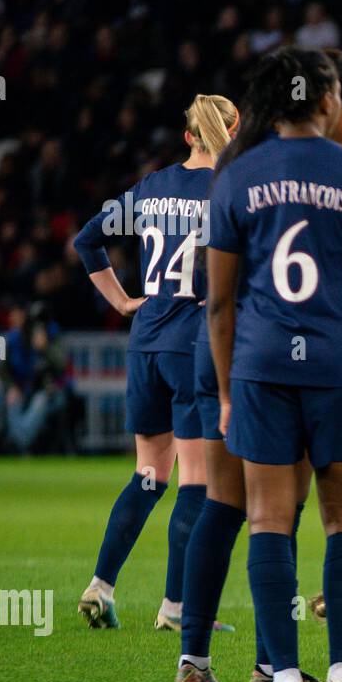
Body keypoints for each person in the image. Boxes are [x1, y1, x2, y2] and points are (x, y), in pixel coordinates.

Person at [205, 47, 342, 682]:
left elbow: (218, 302)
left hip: (263, 365)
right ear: (327, 100)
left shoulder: (237, 175)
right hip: (341, 365)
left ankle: (286, 679)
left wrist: (230, 390)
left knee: (268, 516)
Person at [74, 95, 236, 631]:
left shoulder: (150, 188)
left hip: (145, 342)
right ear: (233, 131)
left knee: (148, 473)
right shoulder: (230, 192)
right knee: (197, 480)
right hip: (194, 347)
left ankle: (101, 585)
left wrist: (122, 301)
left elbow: (87, 241)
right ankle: (176, 608)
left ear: (187, 135)